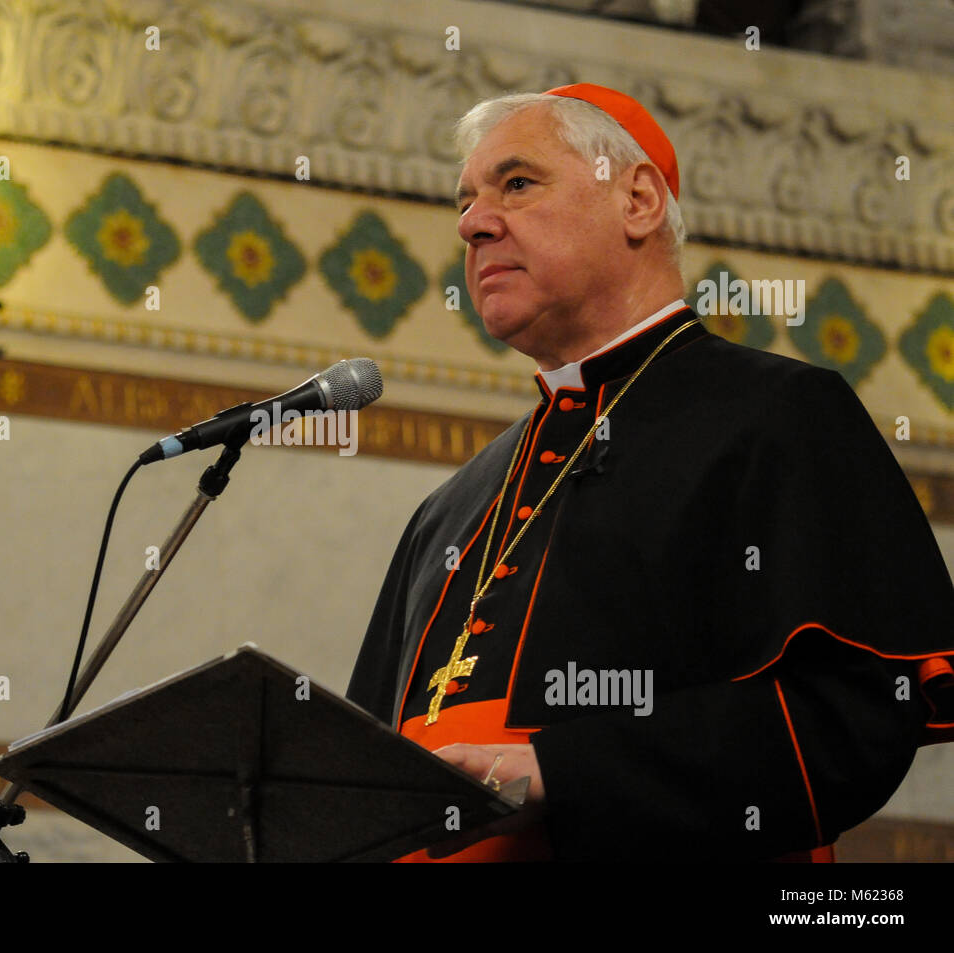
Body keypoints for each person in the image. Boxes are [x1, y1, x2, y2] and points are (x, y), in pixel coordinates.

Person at [345, 84, 954, 862]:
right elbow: (357, 770)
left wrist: (562, 772)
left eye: (517, 183)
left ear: (636, 201)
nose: (472, 222)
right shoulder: (450, 505)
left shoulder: (777, 413)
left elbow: (856, 712)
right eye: (464, 202)